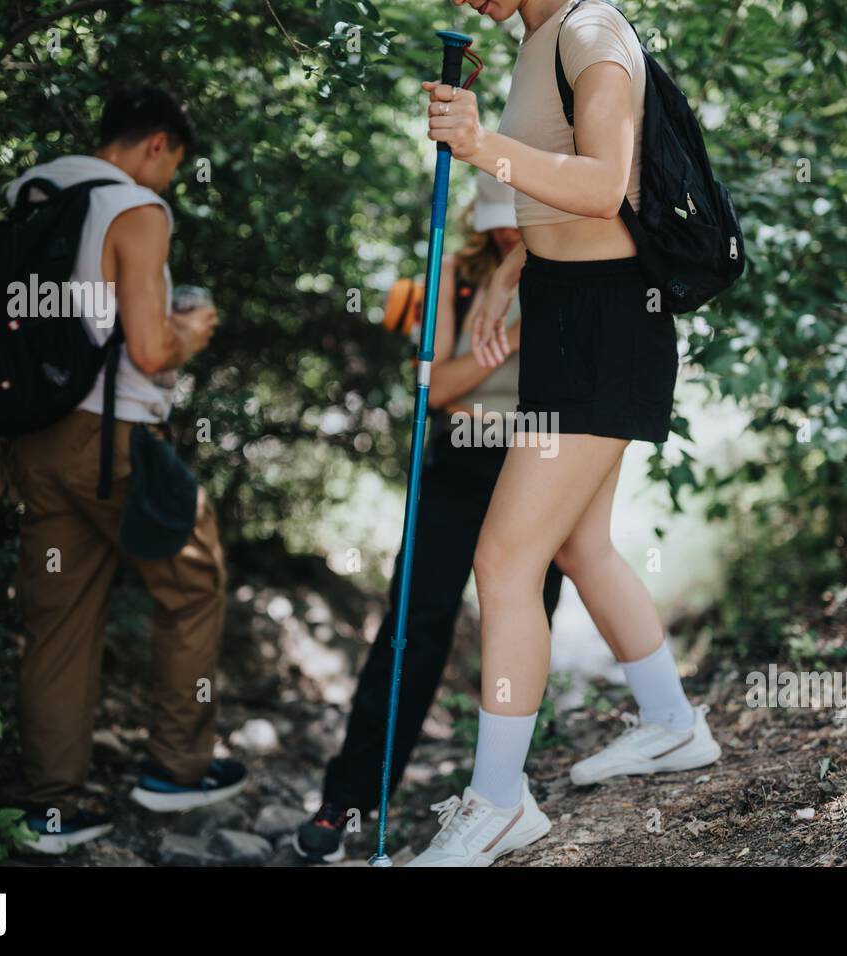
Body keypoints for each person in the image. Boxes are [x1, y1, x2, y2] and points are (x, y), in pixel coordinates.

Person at [407, 0, 722, 866]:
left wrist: (479, 146)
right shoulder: (538, 37)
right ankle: (670, 722)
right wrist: (513, 268)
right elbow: (561, 205)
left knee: (505, 559)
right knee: (580, 546)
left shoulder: (590, 31)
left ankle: (500, 801)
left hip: (608, 326)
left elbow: (603, 183)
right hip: (567, 313)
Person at [293, 171, 564, 863]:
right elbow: (437, 386)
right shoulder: (452, 268)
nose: (511, 232)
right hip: (462, 457)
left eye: (520, 219)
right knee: (415, 621)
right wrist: (498, 332)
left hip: (540, 462)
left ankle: (502, 791)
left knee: (526, 619)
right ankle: (348, 799)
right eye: (501, 220)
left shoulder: (570, 258)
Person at [3, 84, 245, 853]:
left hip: (30, 438)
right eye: (173, 163)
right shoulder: (134, 208)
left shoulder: (31, 192)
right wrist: (191, 334)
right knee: (194, 580)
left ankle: (51, 811)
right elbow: (145, 350)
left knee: (60, 623)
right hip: (113, 437)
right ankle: (176, 769)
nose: (169, 178)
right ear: (158, 145)